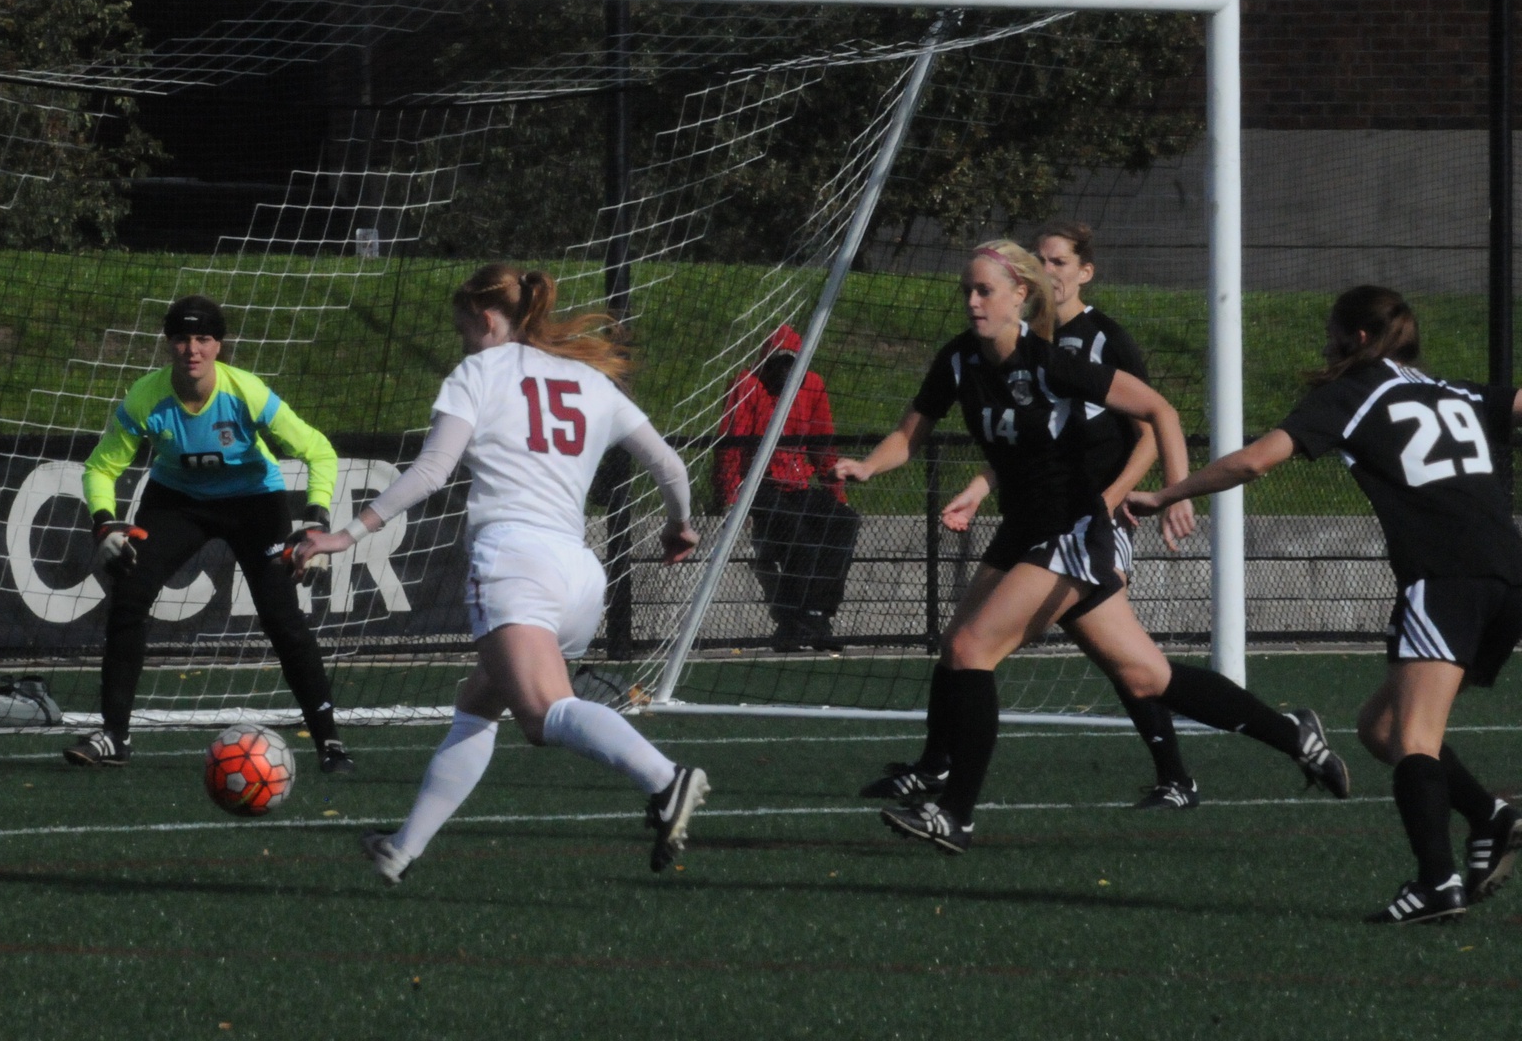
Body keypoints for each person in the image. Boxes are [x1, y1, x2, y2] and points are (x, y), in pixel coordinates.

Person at [834, 240, 1348, 854]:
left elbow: (1159, 410)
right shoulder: (957, 361)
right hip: (1023, 529)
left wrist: (1177, 493)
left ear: (1020, 295)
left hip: (1072, 529)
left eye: (985, 291)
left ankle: (954, 813)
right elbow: (906, 435)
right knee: (1145, 675)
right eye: (966, 291)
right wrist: (869, 466)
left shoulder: (1052, 360)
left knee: (972, 648)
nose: (972, 302)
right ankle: (1294, 735)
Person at [295, 263, 709, 884]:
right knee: (479, 699)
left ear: (488, 320)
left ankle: (666, 780)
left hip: (514, 564)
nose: (464, 343)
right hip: (578, 575)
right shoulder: (590, 381)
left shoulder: (479, 372)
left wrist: (346, 534)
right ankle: (401, 848)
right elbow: (672, 467)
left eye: (465, 330)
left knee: (543, 715)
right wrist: (680, 524)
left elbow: (432, 472)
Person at [1128, 286, 1522, 923]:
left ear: (1358, 340)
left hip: (1446, 575)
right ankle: (1489, 817)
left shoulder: (1353, 392)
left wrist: (1169, 493)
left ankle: (1436, 884)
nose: (1323, 346)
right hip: (1509, 573)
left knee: (1415, 738)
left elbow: (1256, 462)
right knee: (1381, 730)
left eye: (1331, 333)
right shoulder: (1458, 391)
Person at [898, 223, 1201, 810]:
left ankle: (1177, 772)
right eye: (1038, 258)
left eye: (1057, 260)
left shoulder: (1100, 340)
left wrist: (1122, 498)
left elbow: (1148, 428)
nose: (1046, 268)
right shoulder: (1014, 344)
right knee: (972, 640)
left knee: (1106, 660)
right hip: (1041, 518)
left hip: (1091, 518)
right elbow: (1029, 438)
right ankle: (936, 768)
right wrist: (983, 485)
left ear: (1083, 272)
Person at [71, 294, 350, 772]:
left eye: (203, 339)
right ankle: (114, 736)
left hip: (253, 503)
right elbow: (100, 468)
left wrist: (317, 520)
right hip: (178, 501)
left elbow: (319, 451)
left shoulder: (247, 393)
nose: (192, 349)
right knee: (130, 593)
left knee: (282, 618)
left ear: (219, 345)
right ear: (168, 344)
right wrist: (104, 524)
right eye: (181, 338)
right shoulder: (145, 398)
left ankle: (330, 743)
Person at [715, 324, 861, 652]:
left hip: (797, 484)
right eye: (778, 364)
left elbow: (823, 445)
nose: (784, 371)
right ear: (766, 363)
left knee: (844, 522)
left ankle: (818, 613)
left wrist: (835, 493)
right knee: (799, 536)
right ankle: (792, 620)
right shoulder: (746, 384)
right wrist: (730, 498)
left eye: (790, 364)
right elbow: (731, 445)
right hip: (759, 484)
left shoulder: (813, 385)